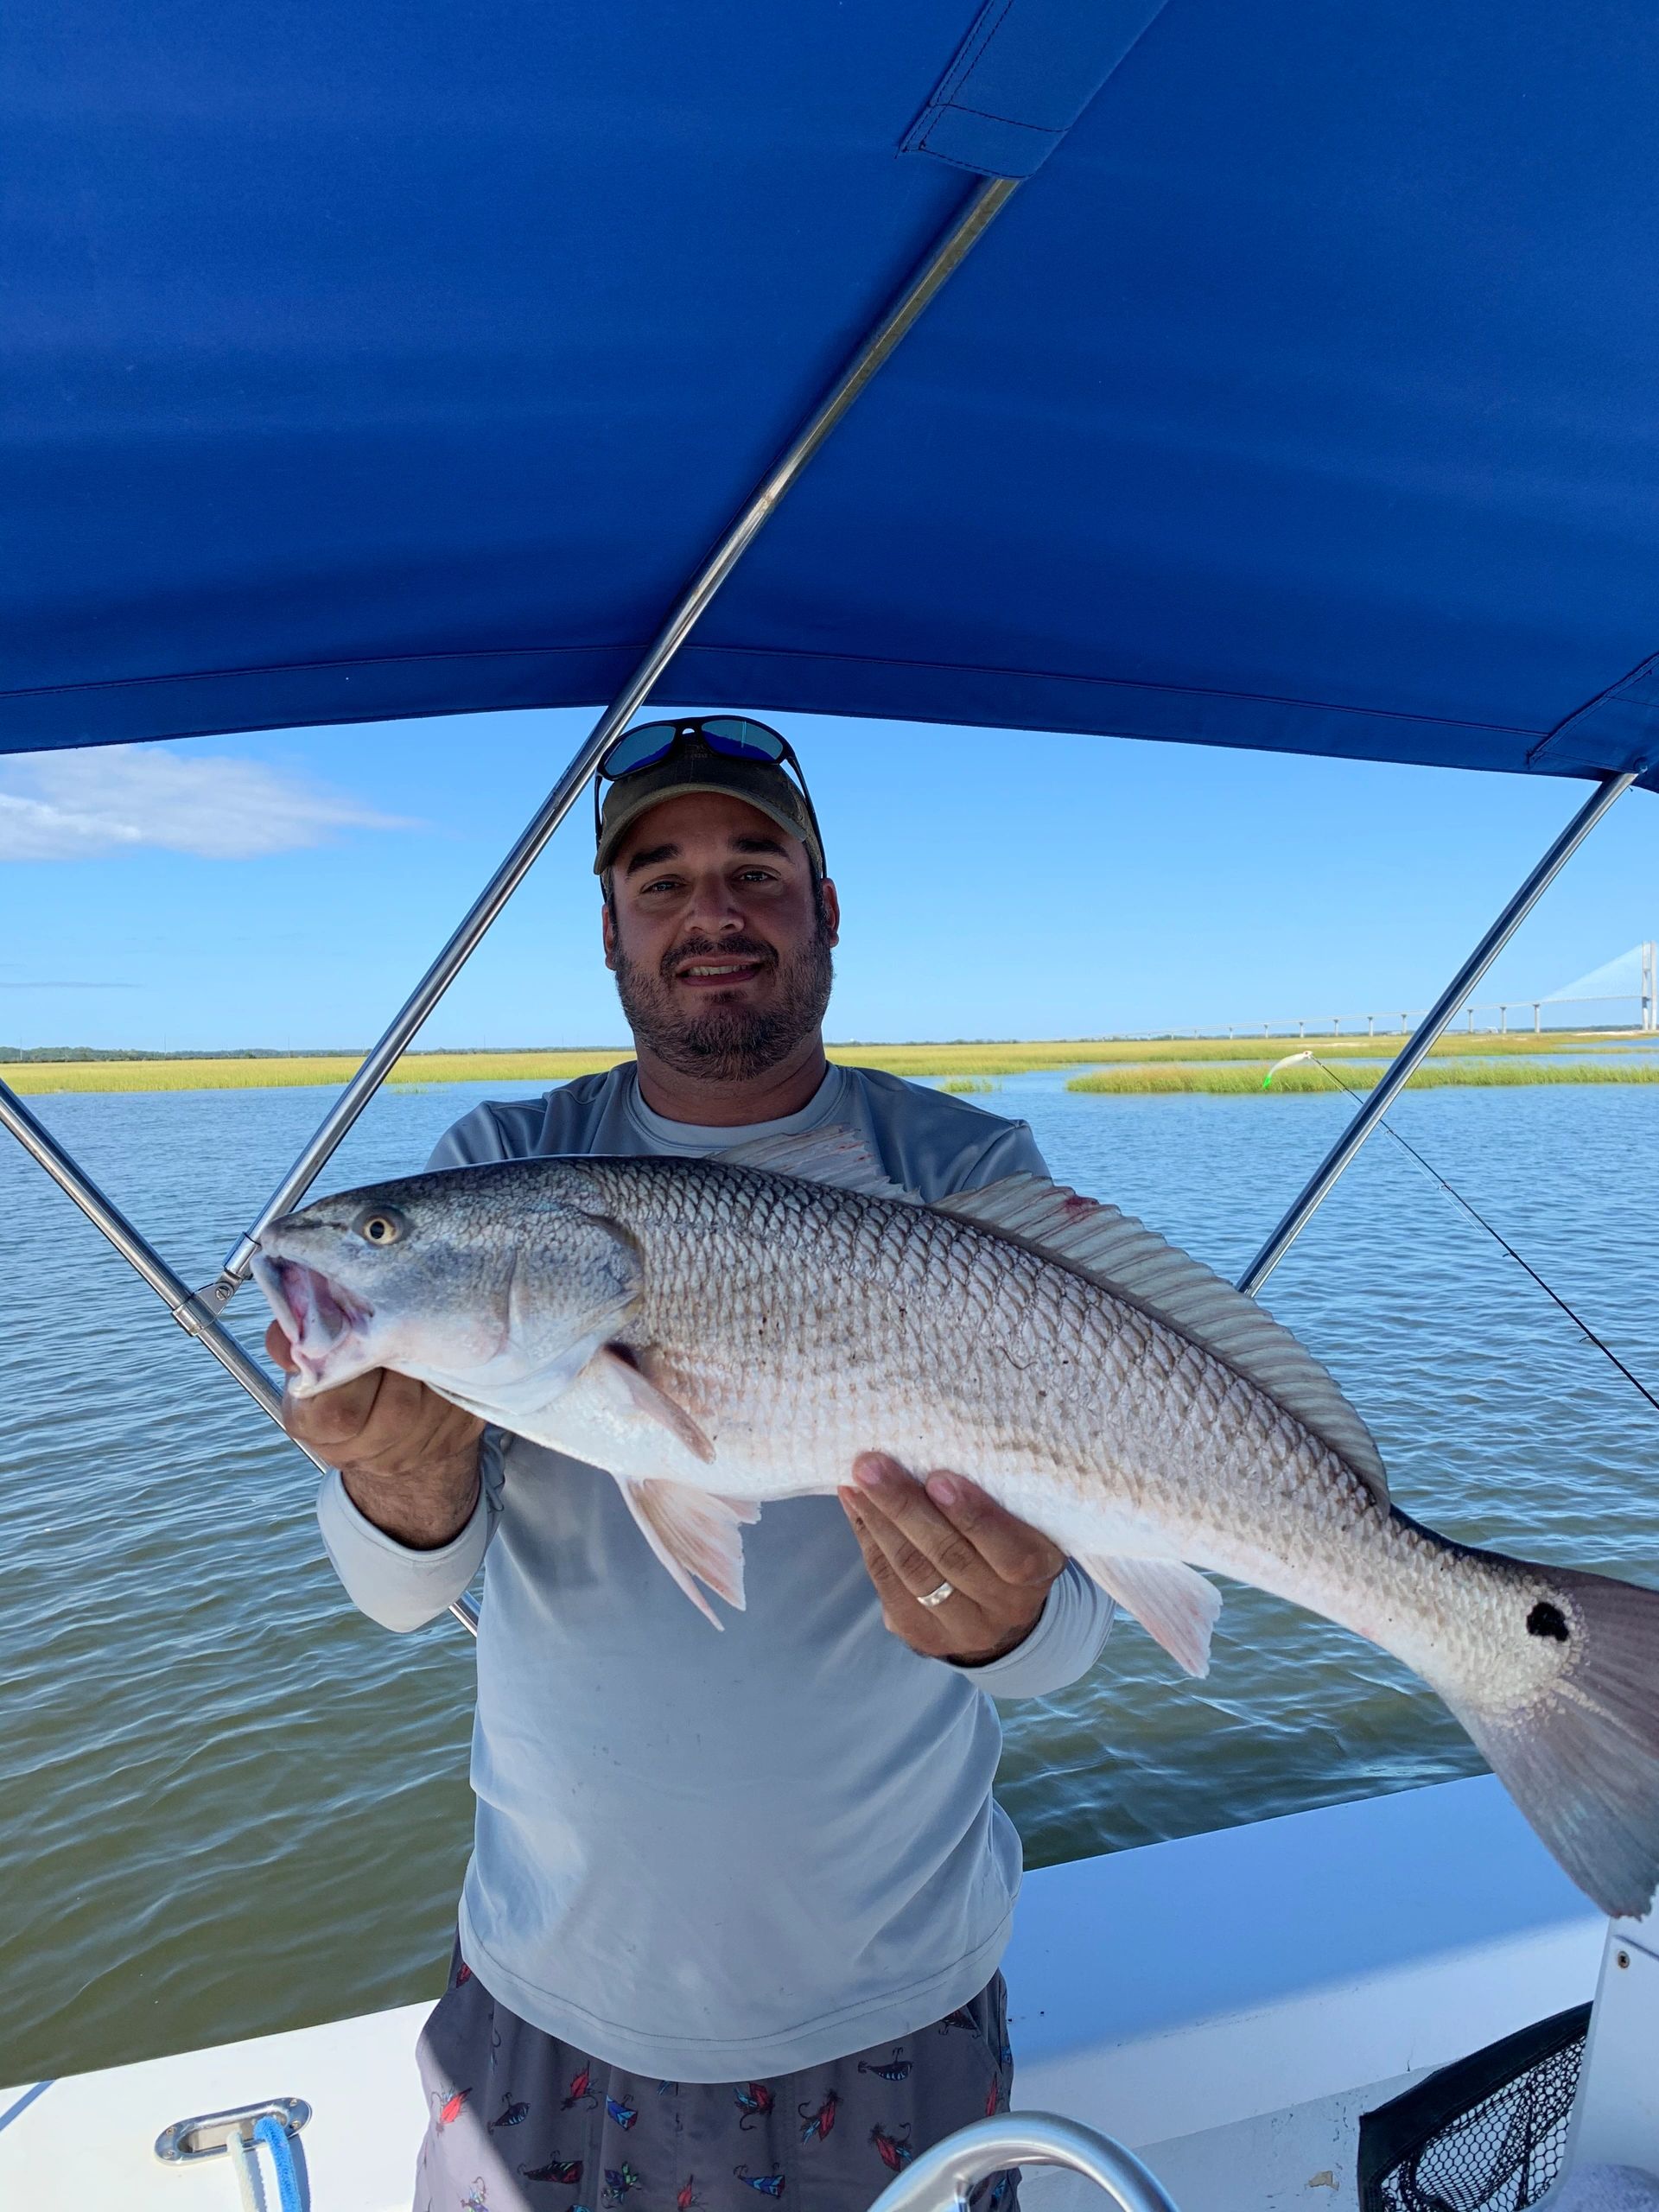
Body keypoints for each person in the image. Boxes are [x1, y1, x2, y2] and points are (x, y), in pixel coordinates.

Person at [270, 718, 1116, 2212]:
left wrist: (1009, 1620)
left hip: (895, 1991)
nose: (709, 914)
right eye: (658, 882)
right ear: (610, 932)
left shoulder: (967, 1176)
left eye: (755, 871)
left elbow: (1069, 1644)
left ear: (825, 905)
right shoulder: (503, 1159)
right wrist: (396, 1480)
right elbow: (400, 1600)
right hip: (547, 1985)